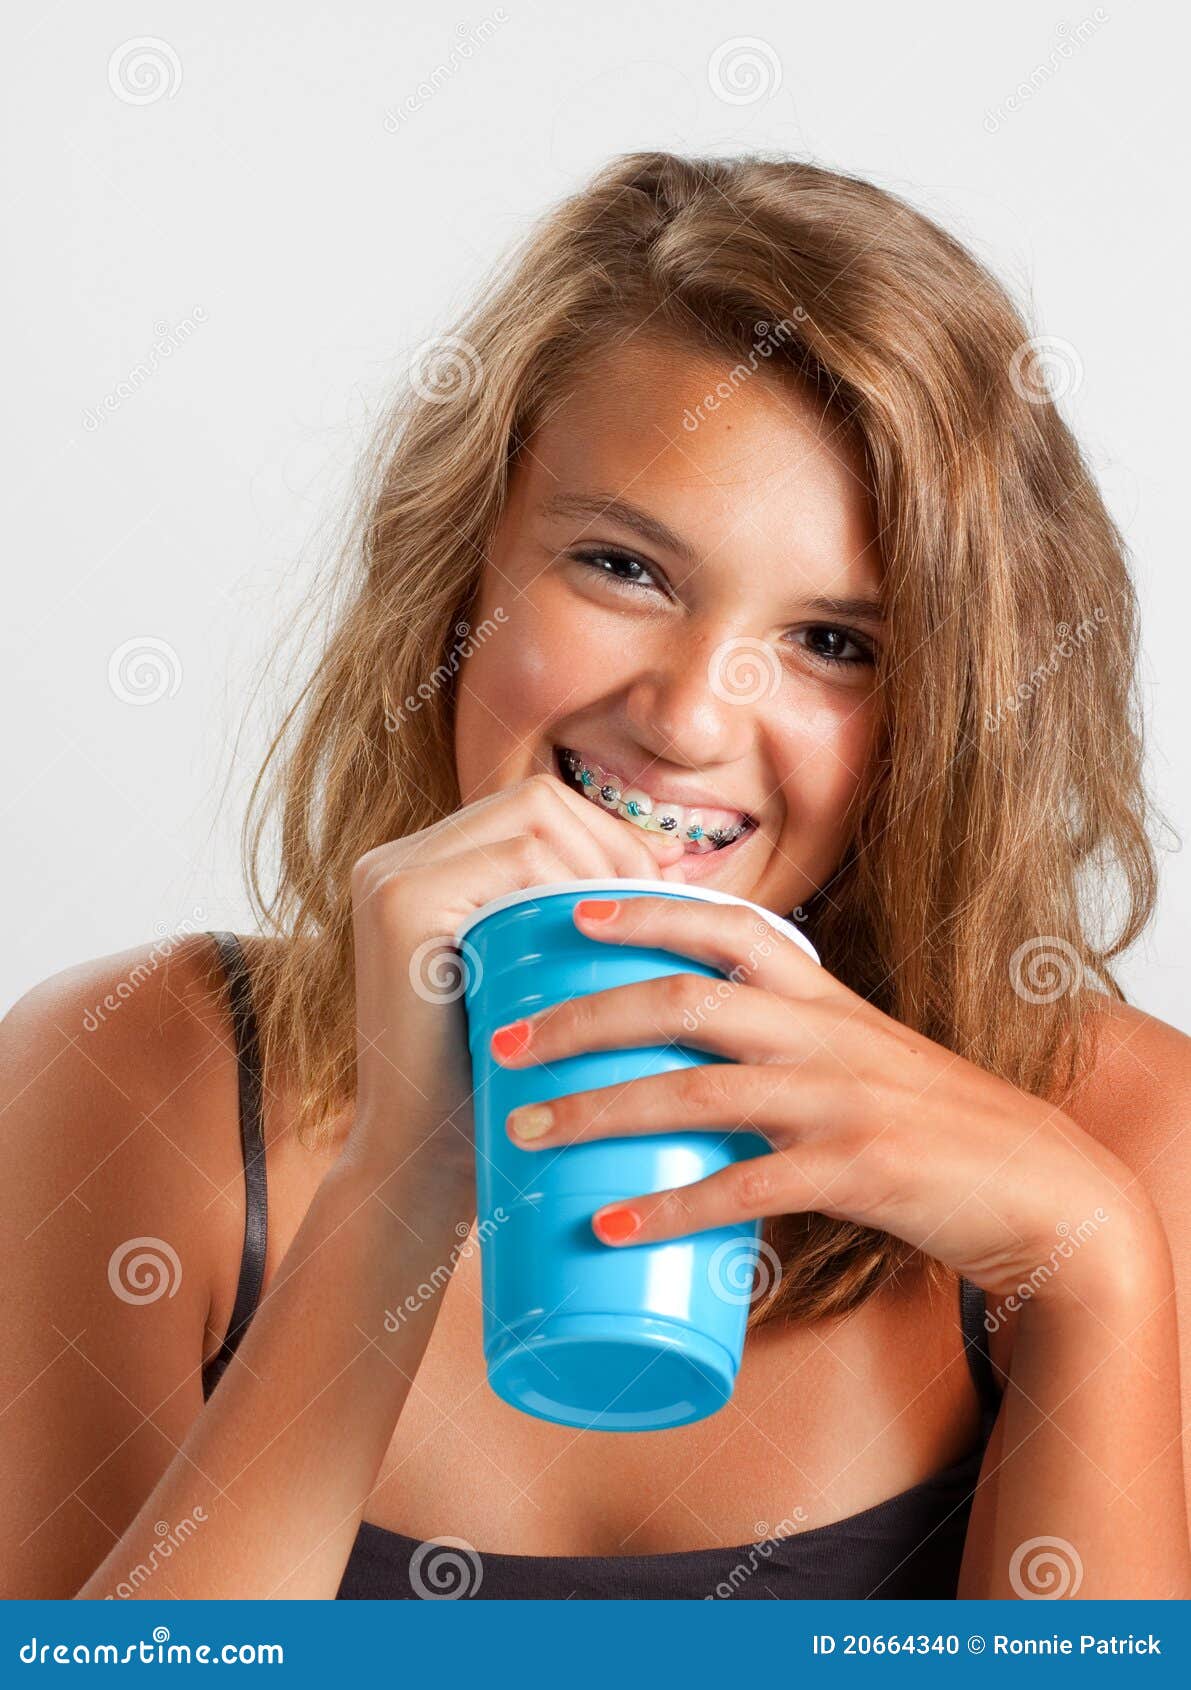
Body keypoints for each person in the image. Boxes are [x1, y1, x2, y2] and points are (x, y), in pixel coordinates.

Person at [3, 151, 1189, 1602]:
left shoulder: (1123, 1131)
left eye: (837, 644)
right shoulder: (137, 1076)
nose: (689, 717)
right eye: (625, 566)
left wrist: (1093, 1272)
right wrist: (405, 1178)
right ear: (461, 569)